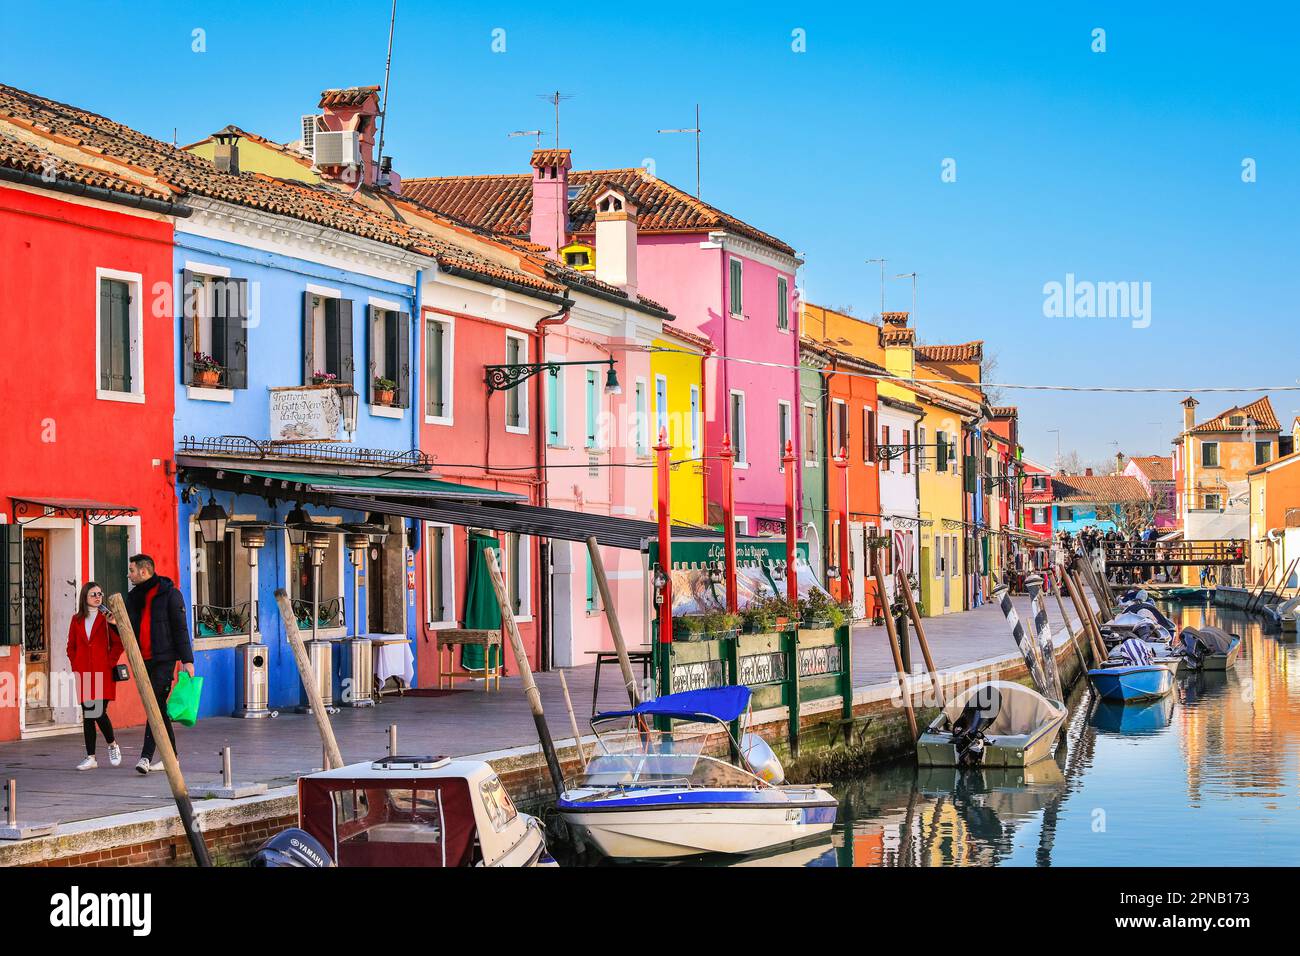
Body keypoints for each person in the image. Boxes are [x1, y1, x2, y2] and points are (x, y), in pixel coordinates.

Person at [123, 554, 194, 774]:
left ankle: (145, 757)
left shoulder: (170, 595)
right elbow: (128, 630)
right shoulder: (134, 597)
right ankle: (171, 758)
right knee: (158, 708)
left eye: (132, 570)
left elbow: (180, 628)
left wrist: (187, 660)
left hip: (164, 659)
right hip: (142, 660)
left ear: (144, 572)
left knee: (155, 704)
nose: (129, 574)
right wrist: (116, 623)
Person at [66, 582, 124, 770]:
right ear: (85, 597)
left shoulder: (106, 618)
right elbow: (71, 646)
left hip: (102, 671)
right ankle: (91, 757)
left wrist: (110, 661)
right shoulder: (76, 620)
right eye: (93, 594)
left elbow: (119, 643)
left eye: (100, 593)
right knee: (88, 715)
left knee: (97, 711)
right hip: (84, 673)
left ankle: (112, 745)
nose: (98, 597)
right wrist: (76, 665)